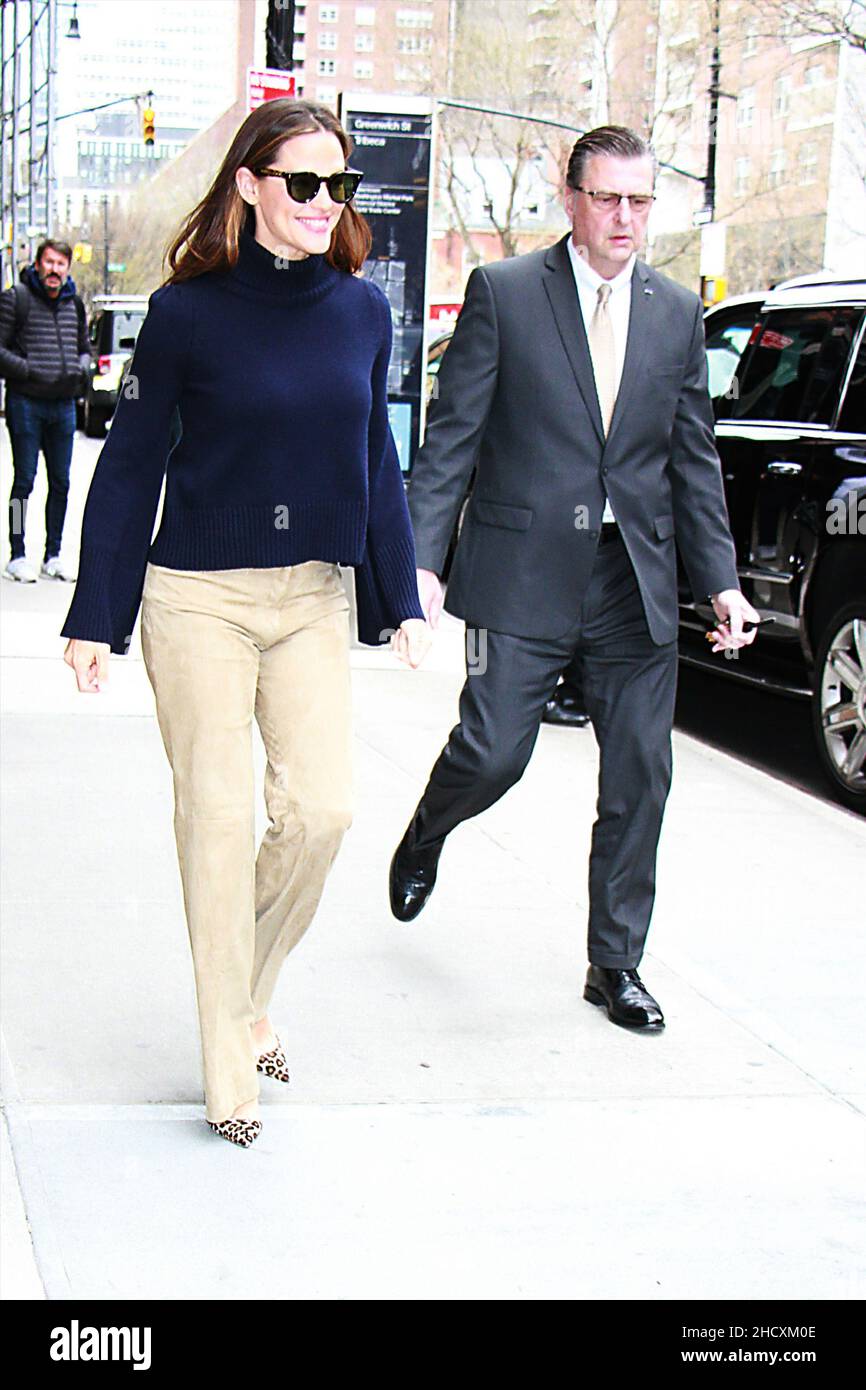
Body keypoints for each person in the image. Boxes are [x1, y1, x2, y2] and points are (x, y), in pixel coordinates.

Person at [60, 98, 430, 1148]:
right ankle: (231, 1069)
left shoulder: (361, 312)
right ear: (250, 187)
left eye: (337, 185)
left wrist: (398, 595)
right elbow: (130, 465)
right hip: (198, 600)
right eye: (302, 183)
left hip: (311, 593)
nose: (324, 203)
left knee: (323, 814)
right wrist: (99, 612)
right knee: (217, 827)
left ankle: (249, 991)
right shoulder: (187, 314)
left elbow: (374, 463)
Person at [390, 126, 760, 1032]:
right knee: (494, 753)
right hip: (519, 573)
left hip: (632, 580)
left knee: (640, 773)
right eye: (609, 198)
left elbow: (691, 459)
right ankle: (431, 828)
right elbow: (453, 443)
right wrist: (421, 568)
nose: (626, 217)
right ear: (572, 200)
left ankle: (615, 964)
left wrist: (720, 581)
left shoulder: (676, 314)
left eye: (641, 200)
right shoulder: (507, 294)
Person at [0, 239, 90, 582]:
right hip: (26, 402)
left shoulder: (74, 304)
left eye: (61, 264)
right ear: (38, 264)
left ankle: (53, 553)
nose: (54, 270)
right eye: (49, 263)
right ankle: (17, 553)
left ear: (67, 268)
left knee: (61, 483)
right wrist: (28, 369)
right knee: (24, 481)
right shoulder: (16, 298)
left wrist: (82, 368)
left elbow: (84, 347)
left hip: (64, 405)